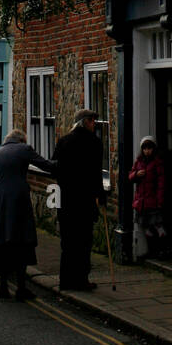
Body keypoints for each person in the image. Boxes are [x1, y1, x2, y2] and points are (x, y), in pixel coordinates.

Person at [0, 130, 55, 301]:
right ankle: (21, 288)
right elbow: (46, 166)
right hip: (19, 200)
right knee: (21, 242)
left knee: (2, 243)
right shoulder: (24, 149)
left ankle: (2, 286)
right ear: (21, 140)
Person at [52, 108, 106, 292]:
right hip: (85, 200)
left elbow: (55, 168)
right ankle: (81, 280)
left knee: (67, 242)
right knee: (83, 242)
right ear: (85, 122)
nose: (94, 124)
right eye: (92, 121)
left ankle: (66, 280)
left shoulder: (64, 141)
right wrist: (101, 195)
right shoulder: (94, 143)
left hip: (66, 199)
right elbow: (96, 173)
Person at [129, 136, 168, 259]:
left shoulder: (157, 163)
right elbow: (130, 176)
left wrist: (160, 200)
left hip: (153, 200)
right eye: (145, 148)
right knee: (145, 226)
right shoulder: (138, 161)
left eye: (149, 148)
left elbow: (162, 183)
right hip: (141, 201)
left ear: (153, 149)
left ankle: (163, 249)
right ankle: (153, 251)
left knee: (158, 226)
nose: (147, 151)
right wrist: (136, 174)